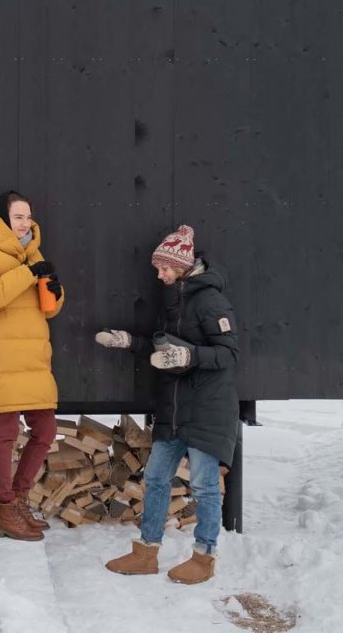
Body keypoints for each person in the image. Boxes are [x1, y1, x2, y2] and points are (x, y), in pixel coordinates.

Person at [94, 224, 238, 585]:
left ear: (182, 265)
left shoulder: (211, 301)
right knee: (156, 478)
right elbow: (165, 350)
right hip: (174, 407)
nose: (159, 275)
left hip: (207, 407)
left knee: (205, 486)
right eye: (158, 269)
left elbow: (228, 354)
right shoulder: (173, 299)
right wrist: (129, 341)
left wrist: (188, 356)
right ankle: (146, 553)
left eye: (164, 268)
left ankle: (204, 557)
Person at [0, 189, 65, 541]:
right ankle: (5, 510)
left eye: (28, 216)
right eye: (19, 216)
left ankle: (19, 499)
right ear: (2, 220)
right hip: (2, 356)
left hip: (34, 356)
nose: (26, 222)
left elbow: (49, 309)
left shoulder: (32, 251)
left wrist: (54, 287)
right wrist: (27, 273)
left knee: (45, 431)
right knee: (6, 434)